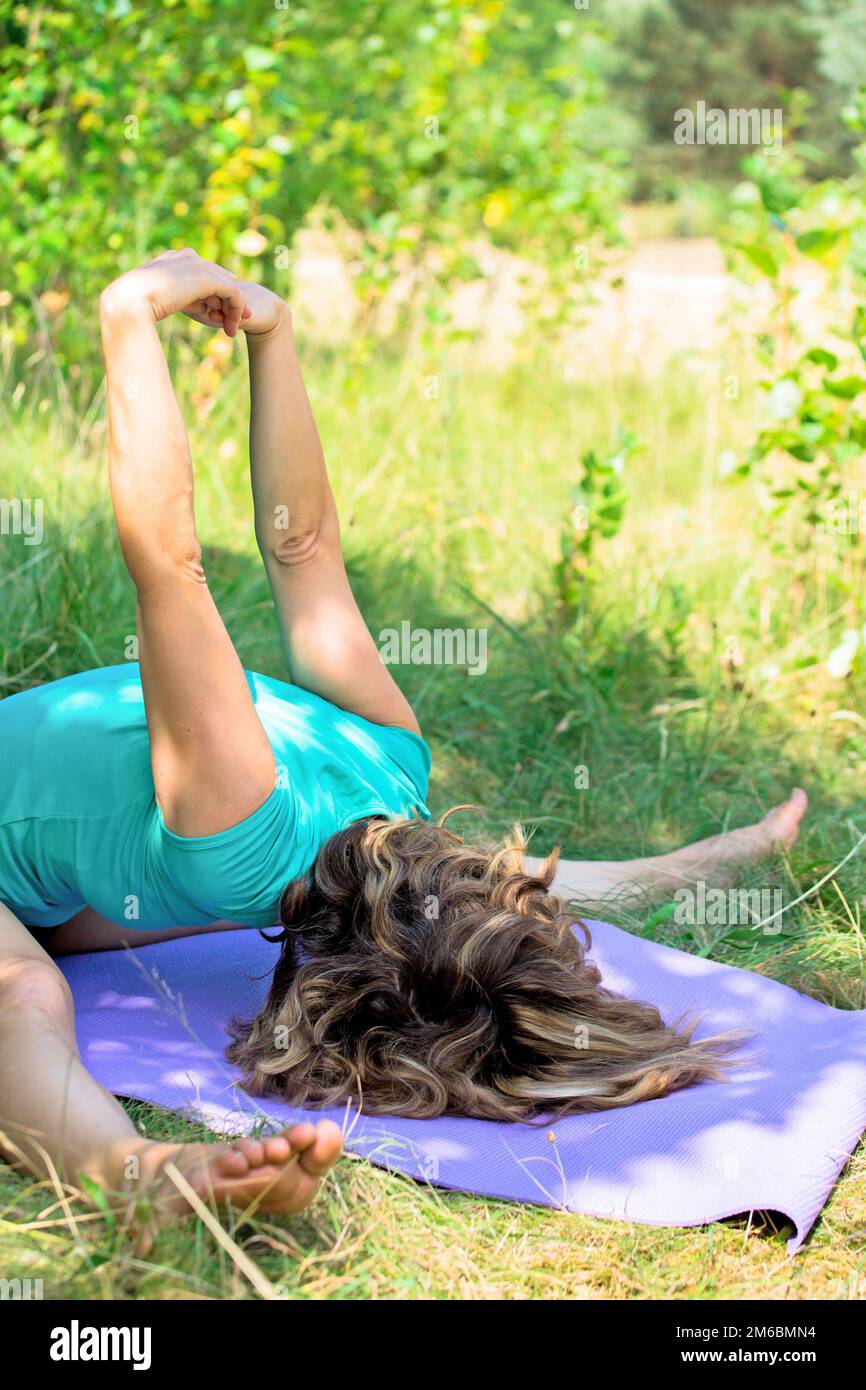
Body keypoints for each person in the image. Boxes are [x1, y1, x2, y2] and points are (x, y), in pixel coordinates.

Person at [0, 250, 808, 1232]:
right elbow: (302, 546)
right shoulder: (388, 765)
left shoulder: (251, 814)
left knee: (27, 993)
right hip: (71, 871)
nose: (496, 870)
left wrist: (129, 316)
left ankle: (131, 1174)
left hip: (60, 881)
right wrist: (273, 336)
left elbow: (168, 563)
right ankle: (671, 869)